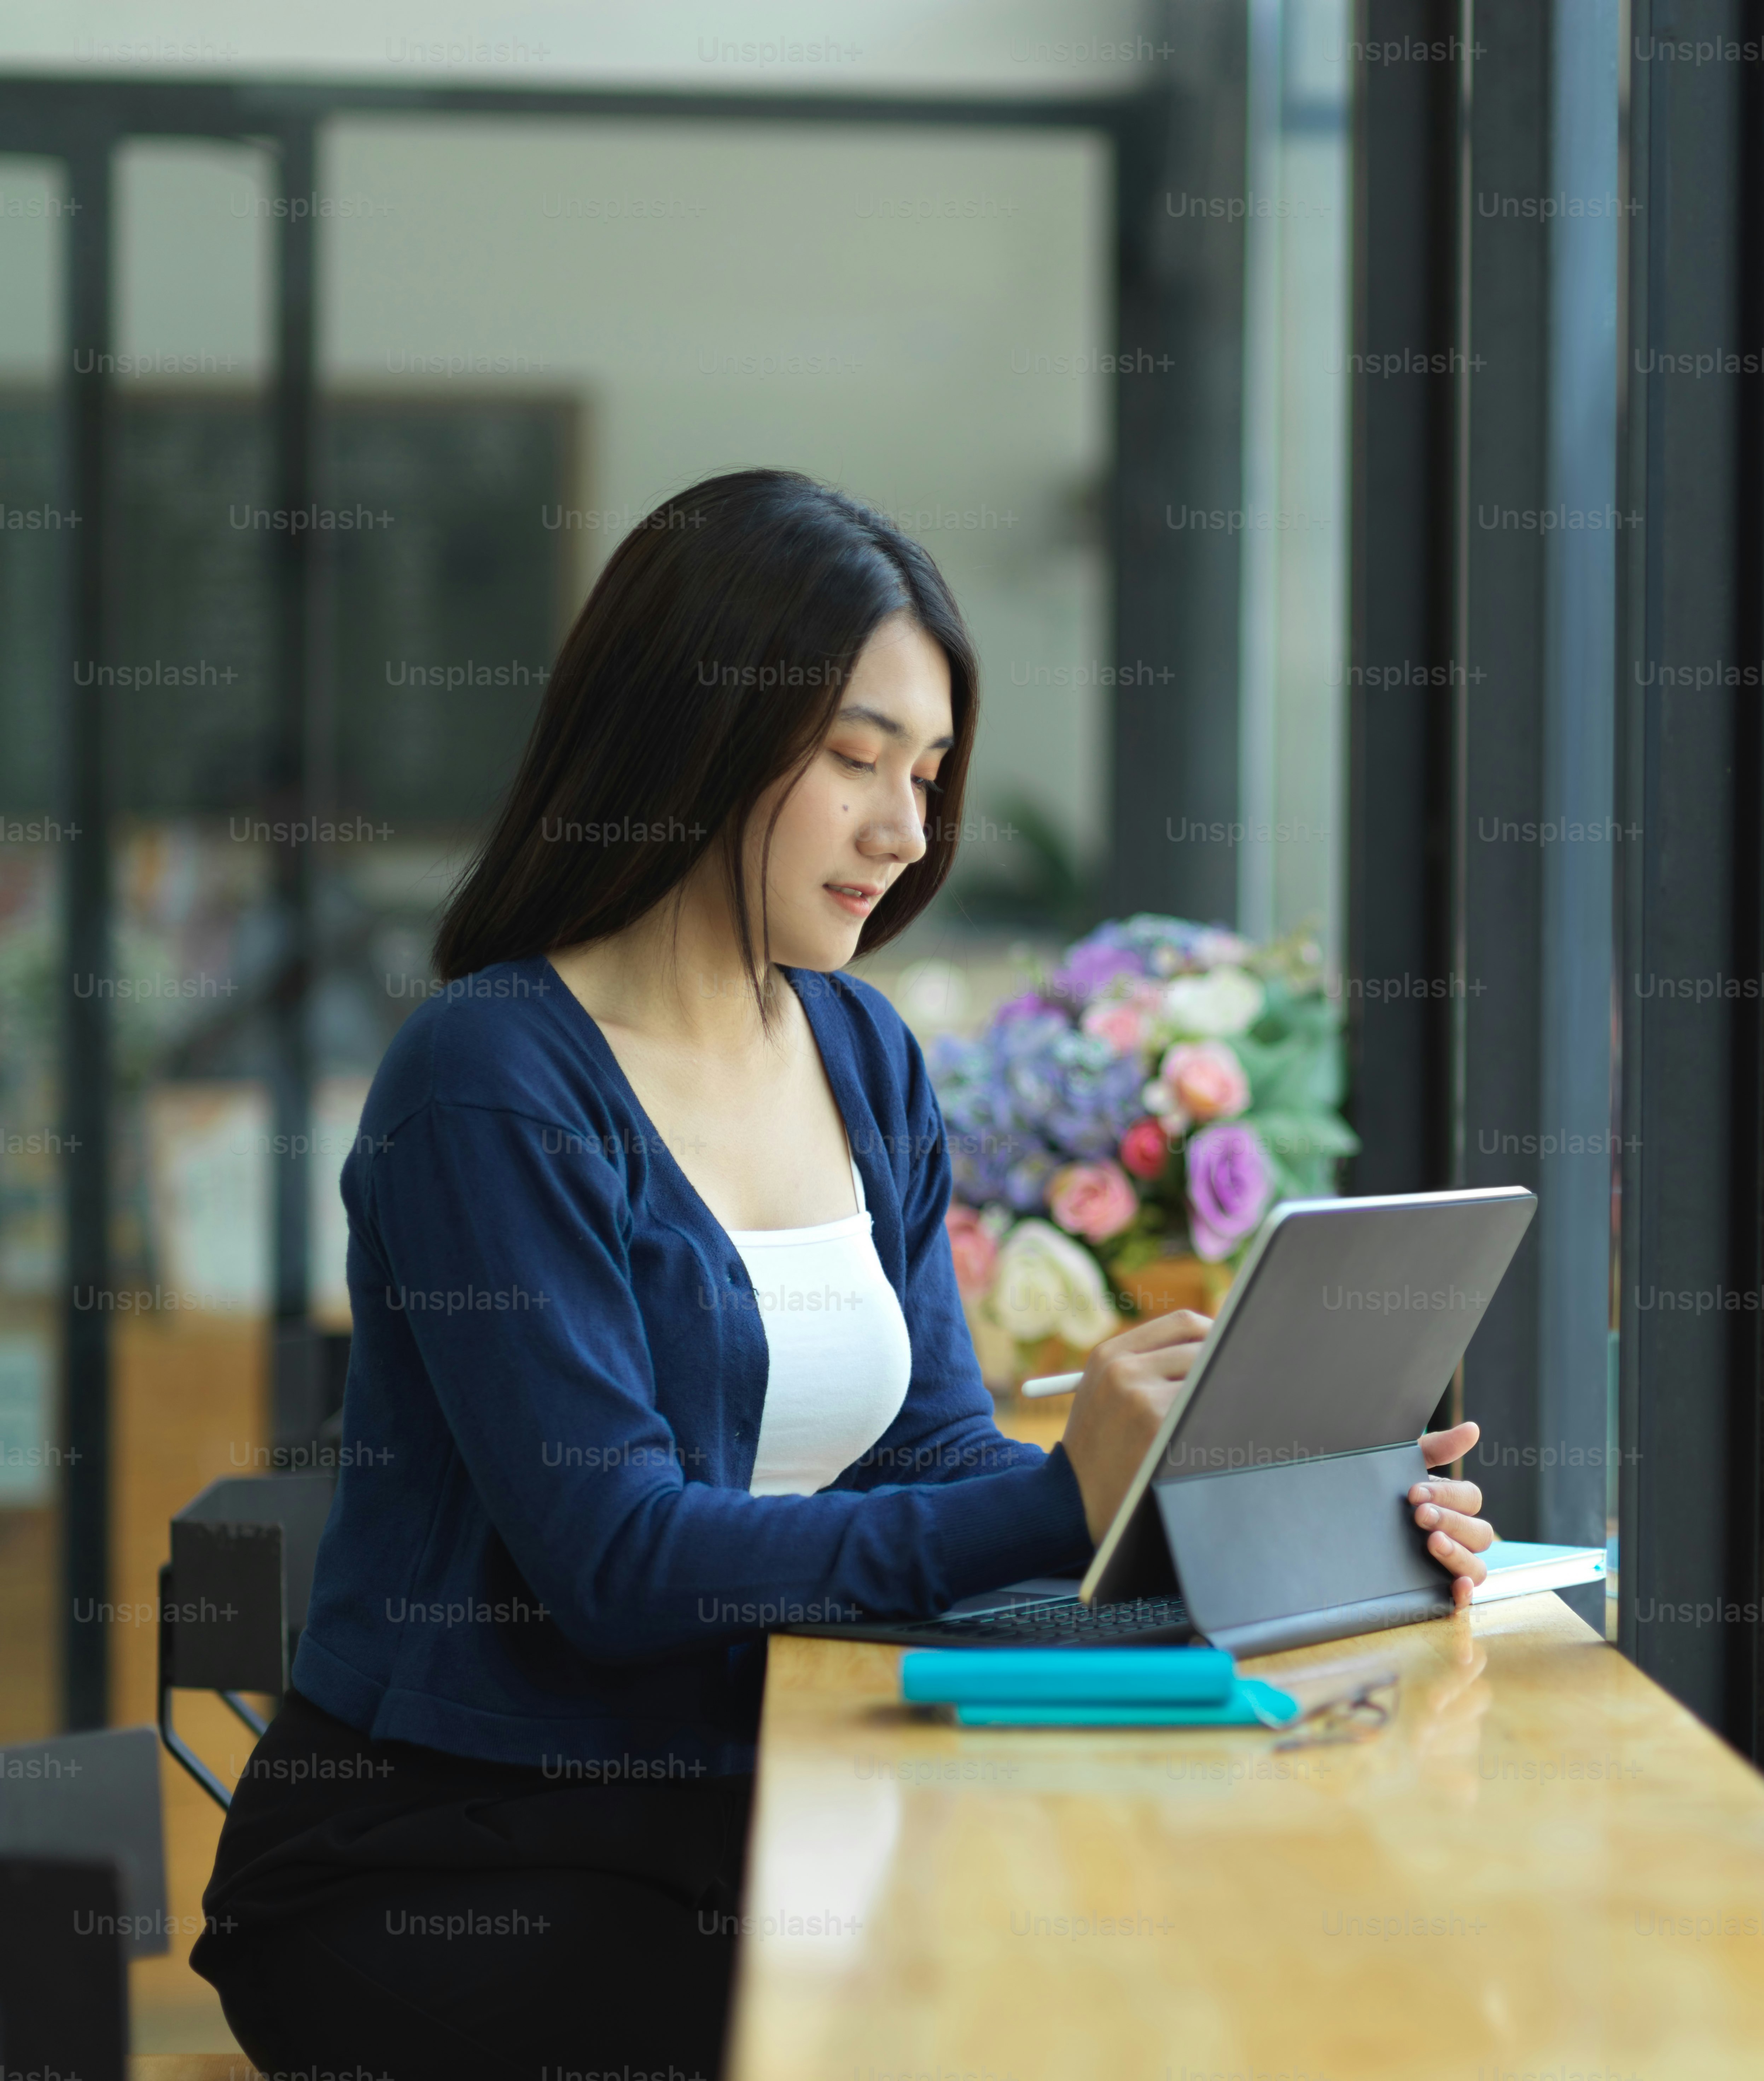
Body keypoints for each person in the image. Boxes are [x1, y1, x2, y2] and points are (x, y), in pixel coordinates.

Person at [190, 470, 1496, 2079]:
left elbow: (930, 1454)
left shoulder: (860, 1048)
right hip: (461, 1861)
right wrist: (1057, 1497)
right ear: (690, 736)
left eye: (932, 770)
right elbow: (618, 1560)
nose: (908, 827)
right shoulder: (489, 1081)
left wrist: (1249, 1505)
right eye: (855, 757)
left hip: (746, 1806)